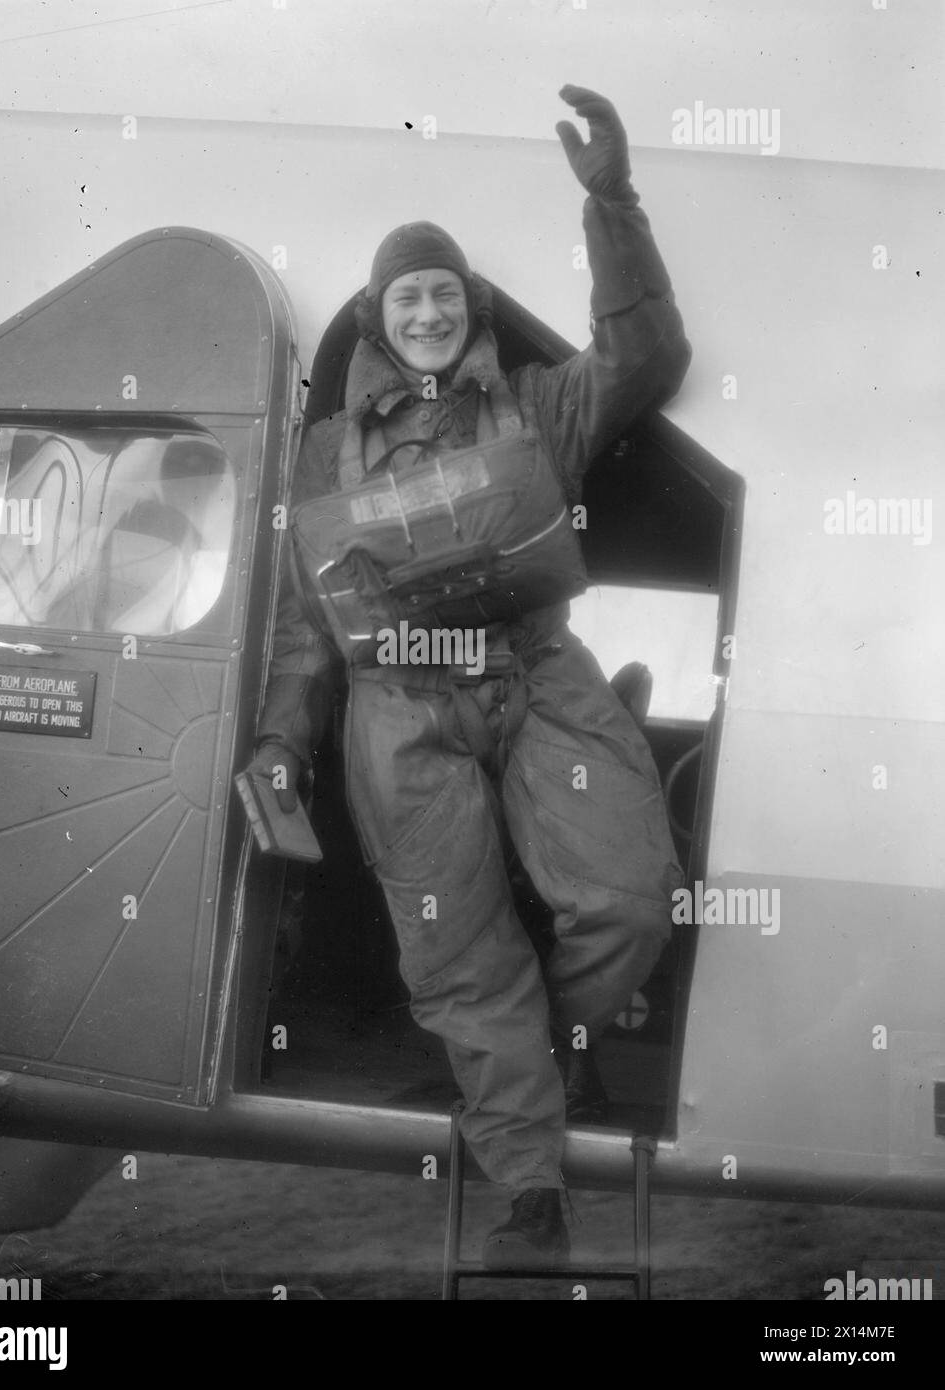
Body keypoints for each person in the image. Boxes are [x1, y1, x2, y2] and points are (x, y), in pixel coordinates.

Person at [249, 85, 690, 1268]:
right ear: (380, 320)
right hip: (398, 707)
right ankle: (529, 1192)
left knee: (632, 900)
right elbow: (304, 630)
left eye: (447, 290)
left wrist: (612, 201)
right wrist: (285, 739)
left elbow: (648, 355)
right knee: (457, 953)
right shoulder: (320, 458)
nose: (432, 309)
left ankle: (535, 1060)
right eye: (410, 295)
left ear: (471, 308)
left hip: (537, 670)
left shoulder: (539, 405)